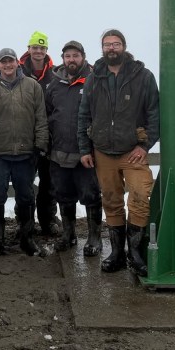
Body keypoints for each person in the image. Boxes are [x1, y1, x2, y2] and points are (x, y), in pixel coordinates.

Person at [78, 29, 159, 276]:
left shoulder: (143, 76)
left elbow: (155, 114)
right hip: (103, 151)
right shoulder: (94, 77)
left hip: (132, 151)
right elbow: (84, 115)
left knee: (139, 196)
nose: (111, 48)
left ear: (124, 46)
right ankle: (116, 254)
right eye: (107, 44)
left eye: (116, 44)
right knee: (111, 201)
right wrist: (85, 148)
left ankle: (135, 253)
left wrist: (144, 146)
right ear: (102, 48)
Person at [0, 48, 49, 256]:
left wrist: (40, 145)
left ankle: (27, 237)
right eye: (3, 62)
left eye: (11, 61)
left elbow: (41, 118)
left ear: (17, 63)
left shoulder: (32, 86)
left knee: (26, 196)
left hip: (25, 153)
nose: (7, 65)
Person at [44, 40, 103, 256]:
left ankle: (94, 238)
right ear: (62, 59)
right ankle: (68, 235)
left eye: (75, 56)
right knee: (63, 196)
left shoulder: (94, 81)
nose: (71, 60)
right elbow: (47, 113)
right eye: (67, 56)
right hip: (59, 154)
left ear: (83, 57)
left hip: (86, 155)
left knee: (91, 196)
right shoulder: (54, 85)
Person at [18, 30, 58, 235]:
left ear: (46, 50)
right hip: (23, 137)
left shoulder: (56, 74)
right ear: (28, 49)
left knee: (48, 182)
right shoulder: (17, 72)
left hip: (49, 139)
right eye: (35, 47)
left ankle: (48, 221)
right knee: (23, 183)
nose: (38, 51)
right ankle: (24, 223)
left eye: (42, 48)